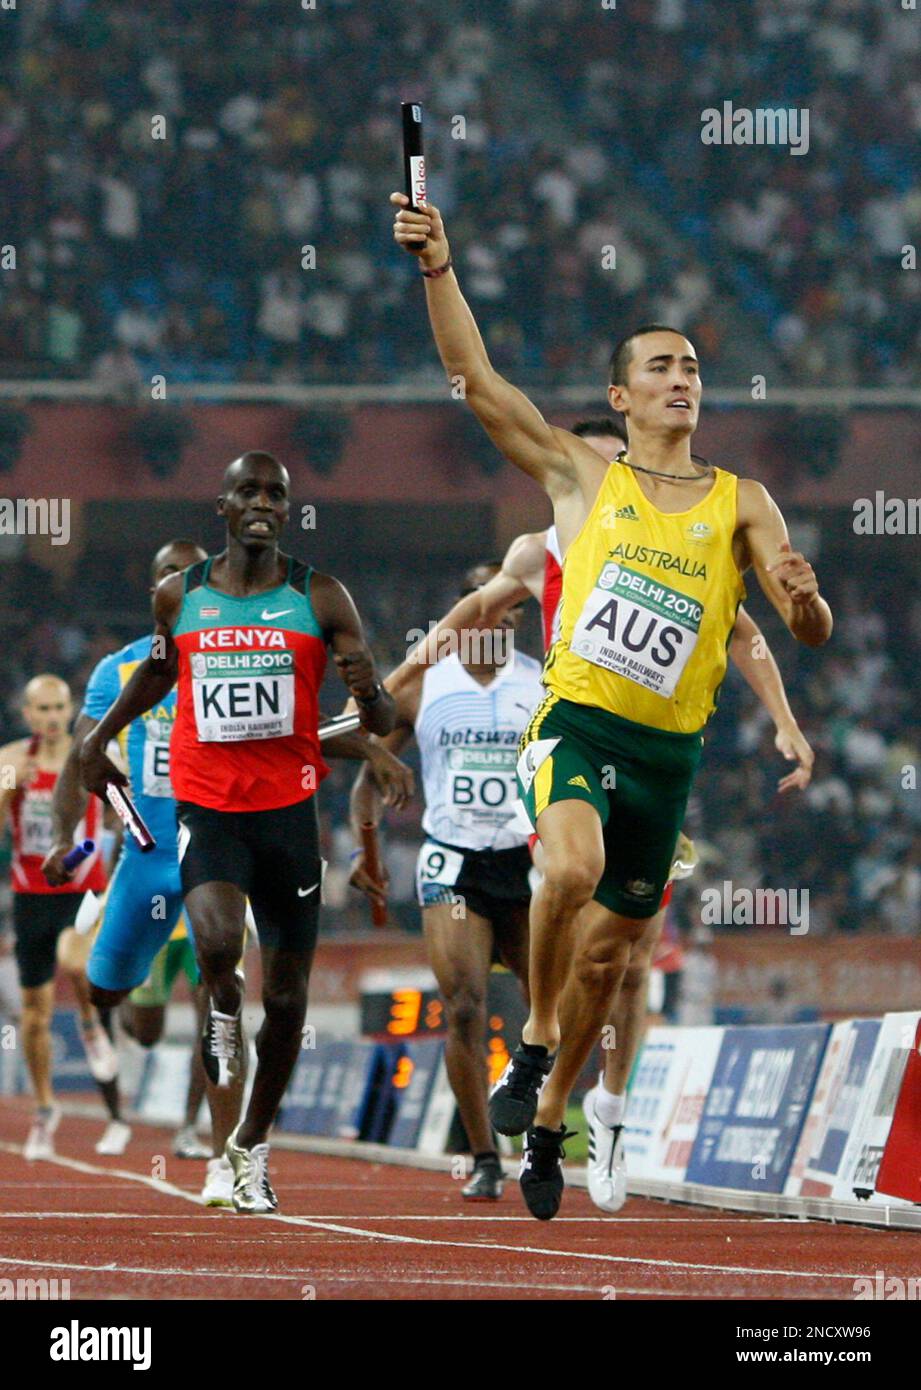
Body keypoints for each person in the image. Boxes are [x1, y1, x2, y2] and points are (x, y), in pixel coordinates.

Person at [392, 192, 832, 1219]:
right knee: (572, 868)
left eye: (692, 366)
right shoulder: (581, 474)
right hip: (578, 723)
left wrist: (807, 604)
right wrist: (439, 268)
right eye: (661, 367)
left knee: (613, 959)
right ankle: (536, 1034)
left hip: (668, 757)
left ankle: (553, 1114)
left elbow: (795, 630)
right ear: (620, 396)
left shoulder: (745, 501)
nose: (682, 379)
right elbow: (480, 385)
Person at [79, 452, 396, 1213]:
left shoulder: (318, 594)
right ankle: (221, 1019)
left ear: (287, 509)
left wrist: (371, 692)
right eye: (248, 491)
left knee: (286, 1000)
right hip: (207, 807)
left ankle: (248, 1145)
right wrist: (99, 740)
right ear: (221, 506)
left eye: (276, 494)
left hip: (287, 815)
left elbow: (380, 716)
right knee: (219, 951)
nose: (263, 503)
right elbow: (159, 673)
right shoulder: (178, 597)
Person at [350, 563, 544, 1201]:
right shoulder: (423, 687)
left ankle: (542, 1136)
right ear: (464, 616)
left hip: (528, 861)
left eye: (513, 607)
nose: (501, 617)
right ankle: (486, 1156)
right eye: (487, 606)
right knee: (464, 1006)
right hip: (454, 861)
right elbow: (361, 766)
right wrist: (369, 848)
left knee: (551, 1007)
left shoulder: (546, 685)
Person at [0, 674, 120, 1159]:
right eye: (42, 709)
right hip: (31, 896)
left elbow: (122, 810)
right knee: (35, 1015)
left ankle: (91, 1023)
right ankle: (46, 1106)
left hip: (84, 887)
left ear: (70, 709)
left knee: (77, 961)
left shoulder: (91, 756)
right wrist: (11, 792)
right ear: (26, 714)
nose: (51, 717)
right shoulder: (8, 762)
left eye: (58, 708)